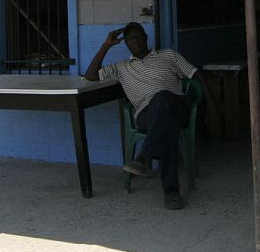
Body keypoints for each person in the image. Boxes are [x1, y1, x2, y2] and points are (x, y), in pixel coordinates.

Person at [84, 21, 199, 210]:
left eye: (138, 36)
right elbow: (90, 76)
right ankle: (171, 192)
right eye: (130, 39)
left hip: (177, 106)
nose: (134, 40)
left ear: (146, 37)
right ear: (126, 44)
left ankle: (145, 155)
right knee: (166, 125)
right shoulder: (121, 68)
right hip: (147, 114)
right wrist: (106, 45)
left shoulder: (168, 55)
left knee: (162, 99)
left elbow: (195, 75)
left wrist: (211, 106)